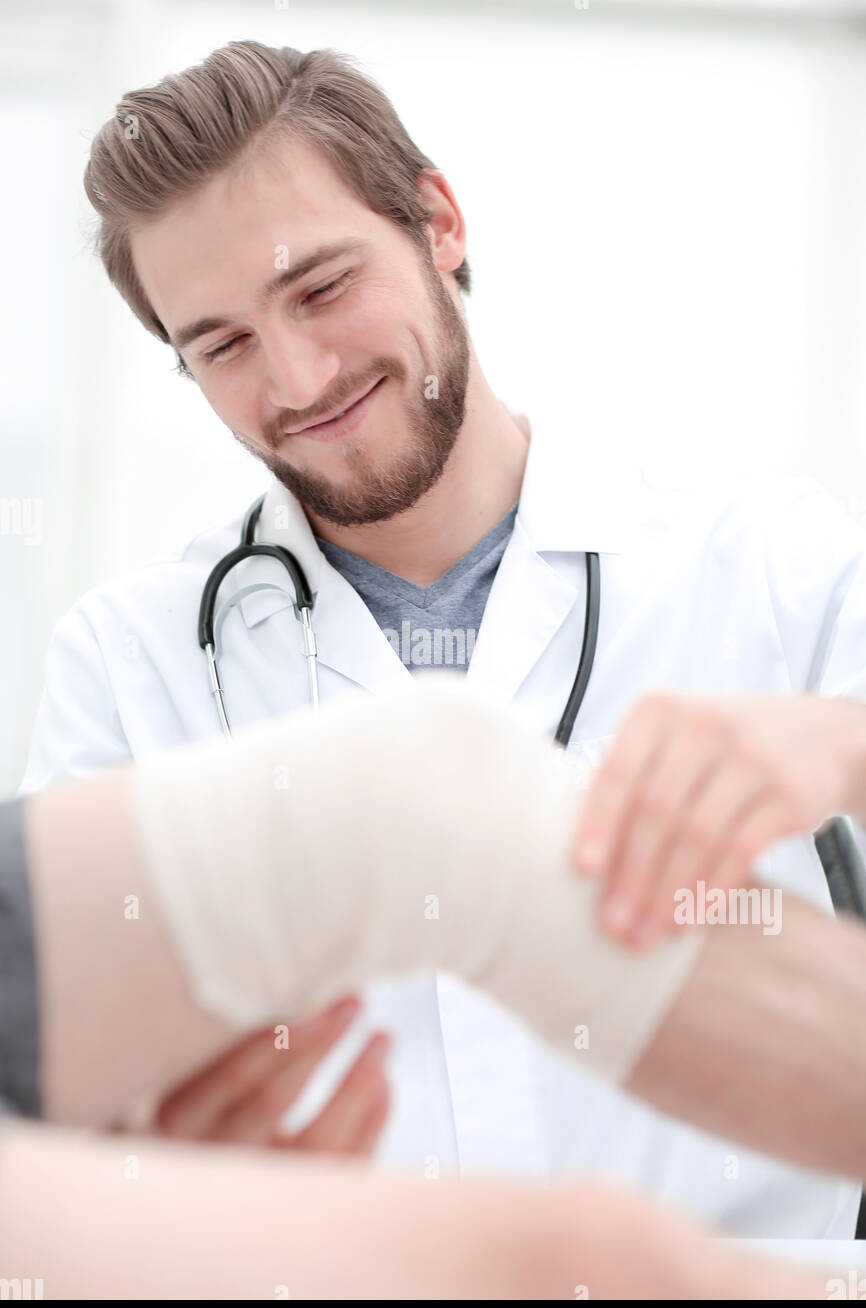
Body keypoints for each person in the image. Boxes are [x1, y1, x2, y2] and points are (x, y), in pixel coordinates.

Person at [21, 39, 866, 1235]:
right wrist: (144, 1157)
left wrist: (835, 744)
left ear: (437, 221)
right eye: (221, 345)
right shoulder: (130, 660)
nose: (299, 376)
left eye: (319, 288)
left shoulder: (766, 564)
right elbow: (65, 1102)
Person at [3, 681, 865, 1298]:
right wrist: (137, 1182)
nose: (299, 410)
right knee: (591, 1269)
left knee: (441, 793)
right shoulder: (118, 646)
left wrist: (848, 737)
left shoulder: (779, 551)